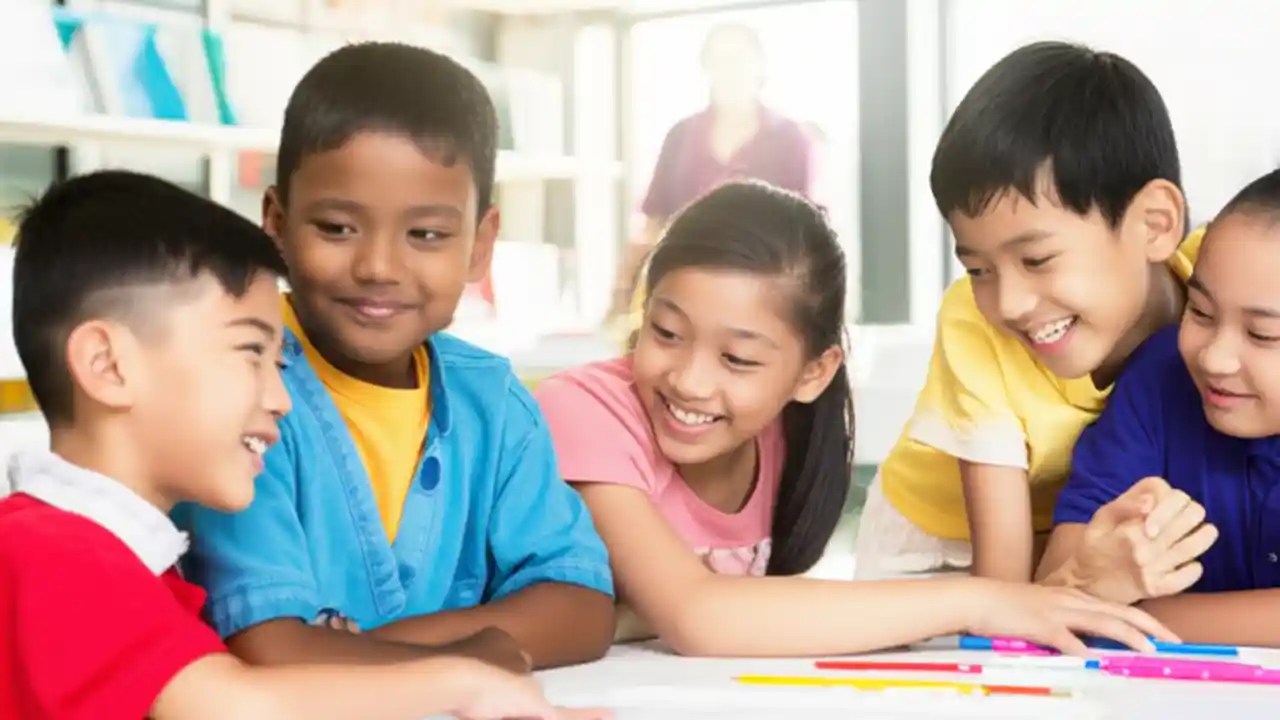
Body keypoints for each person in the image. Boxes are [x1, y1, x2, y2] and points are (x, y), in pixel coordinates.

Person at [0, 170, 604, 720]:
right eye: (250, 353)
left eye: (279, 360)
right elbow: (231, 707)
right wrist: (465, 683)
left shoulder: (128, 564)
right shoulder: (50, 551)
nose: (282, 398)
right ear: (108, 365)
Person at [536, 180, 1174, 658]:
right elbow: (698, 617)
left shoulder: (781, 437)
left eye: (737, 358)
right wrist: (982, 598)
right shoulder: (589, 412)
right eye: (666, 332)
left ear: (813, 373)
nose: (690, 380)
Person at [173, 42, 615, 671]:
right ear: (275, 223)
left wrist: (367, 652)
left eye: (426, 235)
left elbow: (580, 607)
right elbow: (268, 647)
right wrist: (471, 654)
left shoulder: (493, 401)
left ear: (480, 245)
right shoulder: (238, 398)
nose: (379, 267)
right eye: (337, 228)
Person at [855, 41, 1203, 583]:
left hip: (1084, 543)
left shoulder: (1222, 273)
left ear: (1155, 225)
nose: (1009, 304)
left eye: (1036, 259)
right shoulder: (975, 327)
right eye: (977, 269)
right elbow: (1003, 594)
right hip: (942, 551)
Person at [1038, 168, 1280, 646]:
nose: (1214, 357)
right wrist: (1090, 590)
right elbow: (1055, 595)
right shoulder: (1161, 378)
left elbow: (1088, 613)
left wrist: (1127, 610)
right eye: (1201, 313)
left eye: (1262, 334)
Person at [606, 22, 812, 326]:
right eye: (719, 59)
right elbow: (653, 221)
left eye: (739, 58)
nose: (729, 69)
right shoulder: (682, 136)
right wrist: (621, 292)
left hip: (762, 292)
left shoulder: (789, 138)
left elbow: (809, 230)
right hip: (685, 287)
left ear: (760, 65)